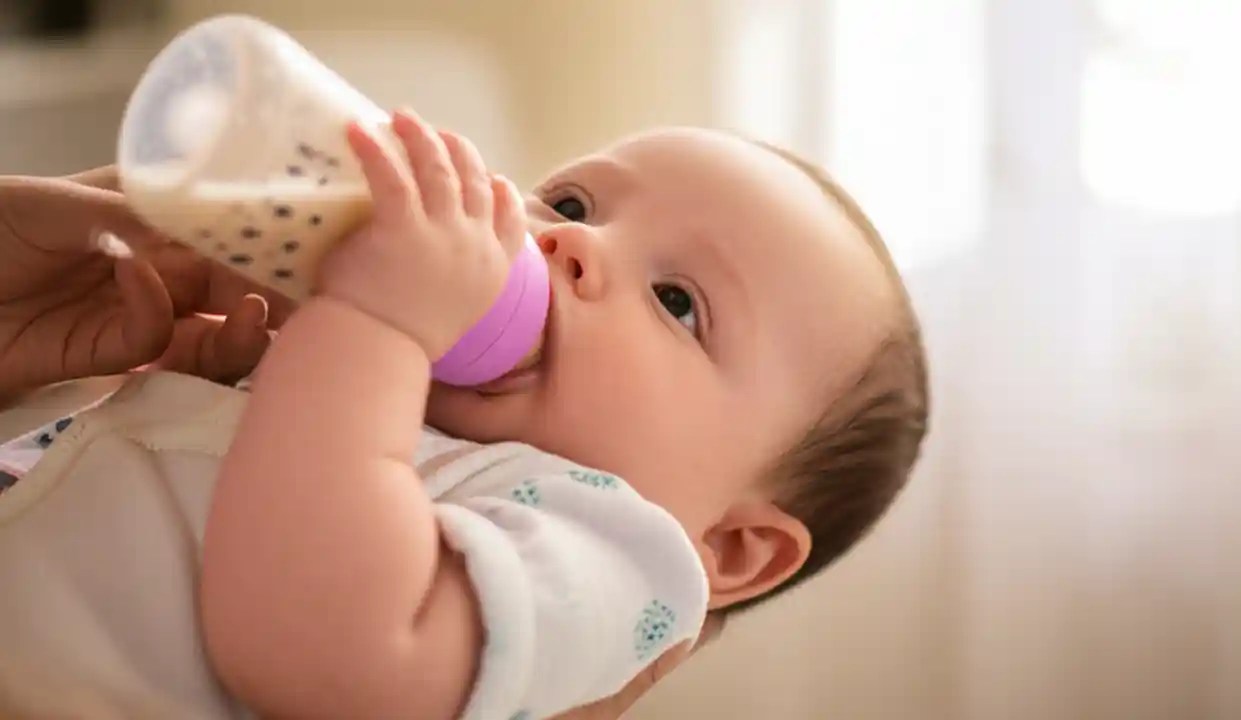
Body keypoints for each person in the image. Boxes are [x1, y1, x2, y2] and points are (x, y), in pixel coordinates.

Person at [0, 116, 928, 719]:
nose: (569, 243)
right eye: (571, 202)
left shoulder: (606, 555)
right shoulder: (366, 396)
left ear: (727, 549)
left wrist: (372, 332)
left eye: (678, 301)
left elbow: (321, 659)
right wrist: (186, 400)